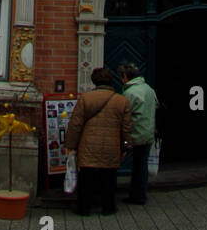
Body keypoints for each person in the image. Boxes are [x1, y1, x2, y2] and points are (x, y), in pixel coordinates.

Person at [64, 67, 132, 216]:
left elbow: (75, 124)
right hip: (111, 146)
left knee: (86, 179)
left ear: (94, 81)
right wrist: (126, 146)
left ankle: (84, 208)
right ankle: (108, 207)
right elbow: (126, 128)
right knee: (109, 178)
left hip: (88, 146)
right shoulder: (121, 101)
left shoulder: (85, 98)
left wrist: (70, 145)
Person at [118, 62, 158, 205]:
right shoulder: (148, 89)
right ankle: (140, 194)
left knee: (133, 165)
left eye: (121, 76)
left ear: (125, 76)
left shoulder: (129, 93)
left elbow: (123, 113)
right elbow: (156, 106)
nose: (121, 80)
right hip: (148, 132)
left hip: (134, 133)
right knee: (142, 165)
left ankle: (136, 196)